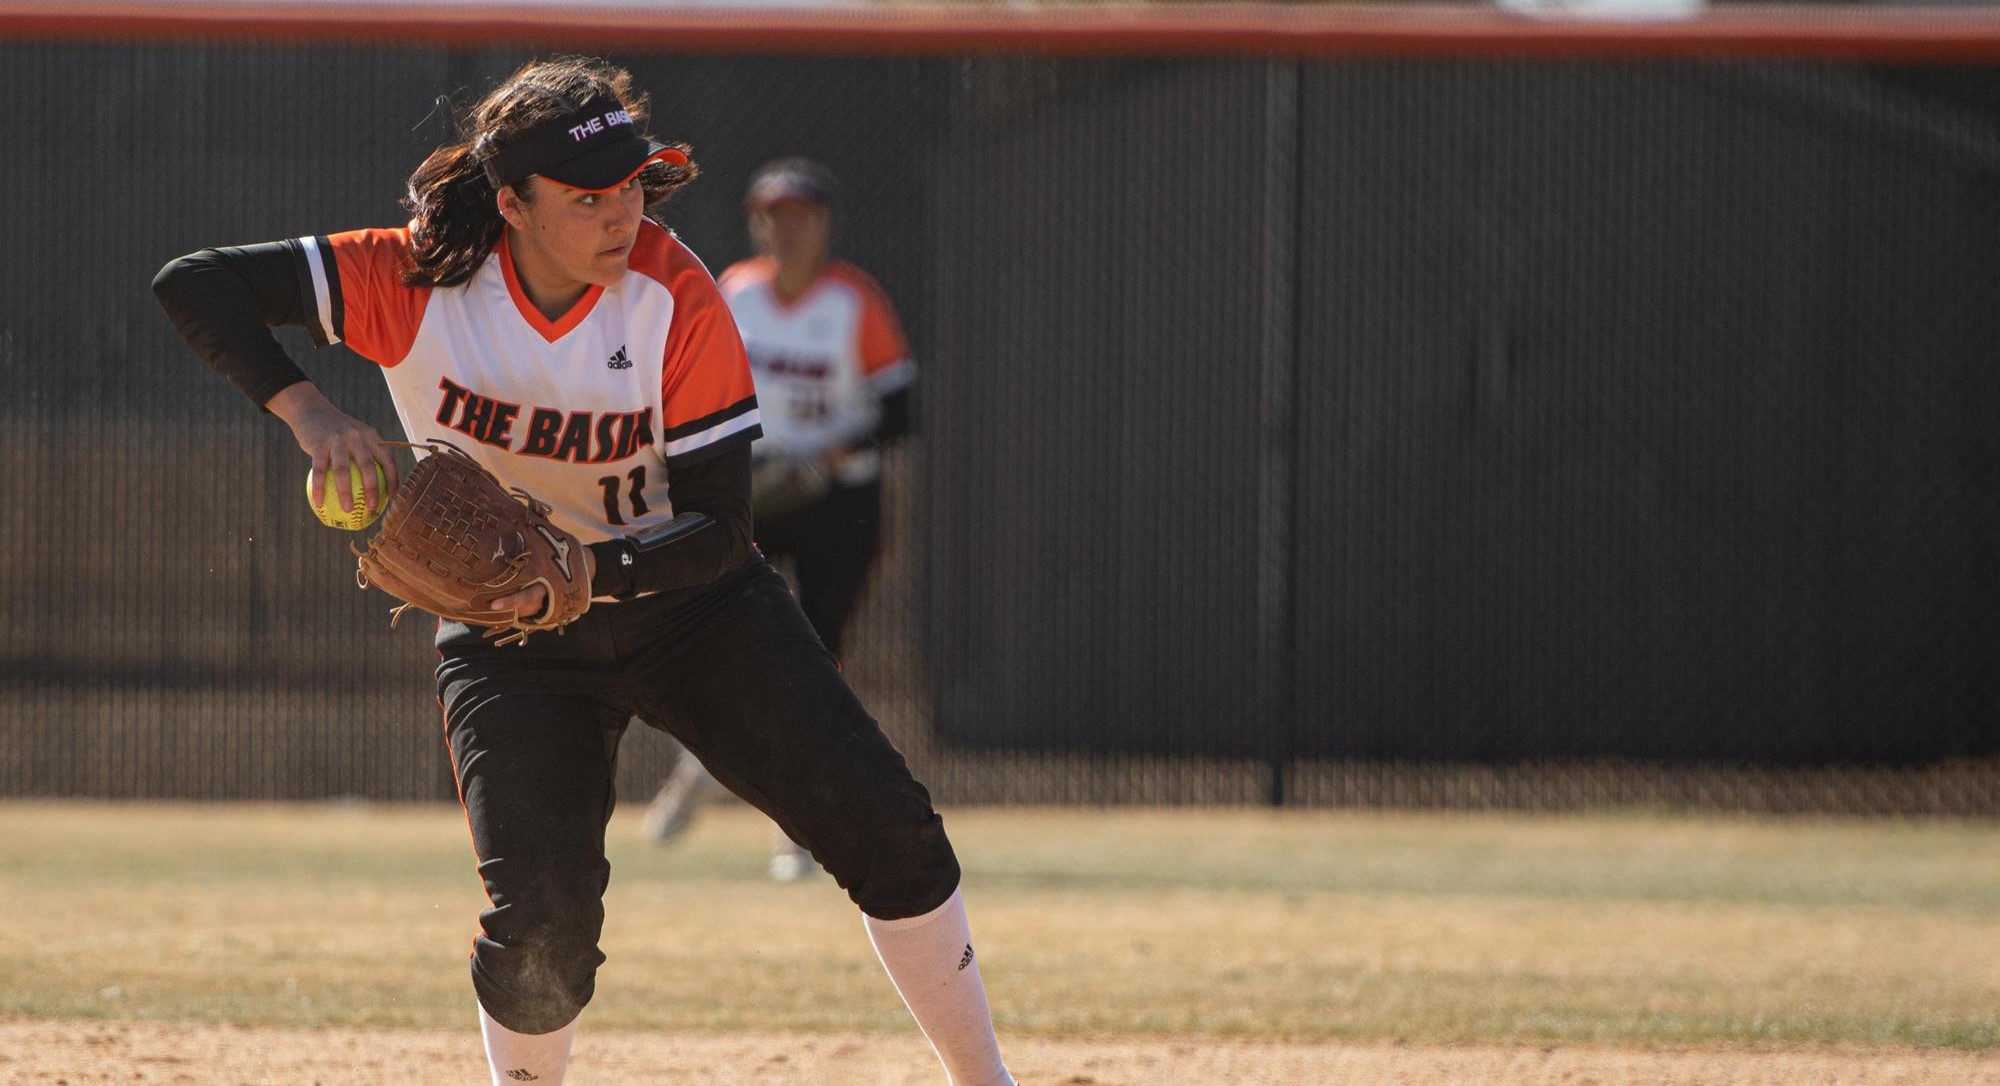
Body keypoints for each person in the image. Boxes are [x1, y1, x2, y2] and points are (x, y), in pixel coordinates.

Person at [153, 56, 1016, 1086]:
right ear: (510, 203)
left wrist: (584, 567)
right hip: (510, 637)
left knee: (890, 833)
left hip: (694, 608)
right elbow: (195, 283)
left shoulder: (671, 293)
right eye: (588, 195)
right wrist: (308, 409)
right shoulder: (416, 277)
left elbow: (719, 525)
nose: (623, 213)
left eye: (632, 185)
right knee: (541, 922)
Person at [640, 159, 917, 884]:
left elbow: (900, 411)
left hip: (837, 503)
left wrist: (828, 455)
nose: (785, 228)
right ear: (756, 222)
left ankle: (799, 829)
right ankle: (700, 767)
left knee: (814, 663)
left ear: (823, 222)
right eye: (772, 214)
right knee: (729, 648)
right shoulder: (736, 291)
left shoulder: (855, 302)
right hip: (754, 492)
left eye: (799, 214)